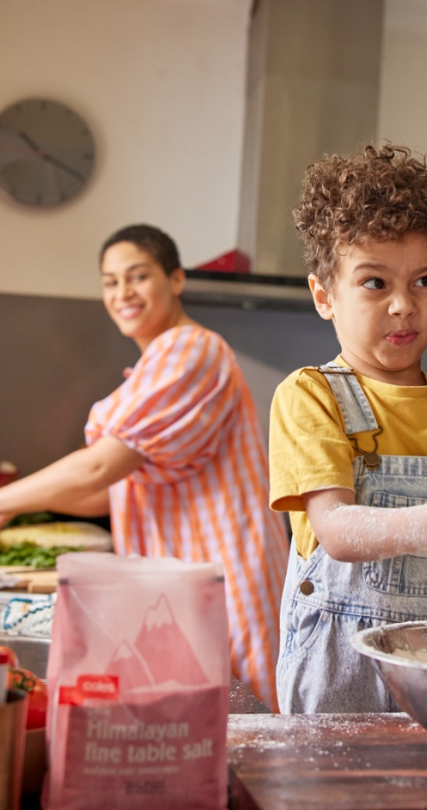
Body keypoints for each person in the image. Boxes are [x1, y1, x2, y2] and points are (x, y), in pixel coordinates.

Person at [0, 224, 288, 710]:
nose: (122, 293)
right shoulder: (154, 369)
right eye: (110, 282)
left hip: (224, 580)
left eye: (137, 276)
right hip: (182, 587)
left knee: (245, 733)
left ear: (175, 279)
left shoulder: (192, 350)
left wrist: (6, 501)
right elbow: (101, 491)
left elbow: (99, 470)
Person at [269, 144, 427, 714]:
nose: (404, 305)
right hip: (337, 674)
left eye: (424, 281)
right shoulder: (309, 395)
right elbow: (339, 533)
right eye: (375, 283)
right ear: (325, 295)